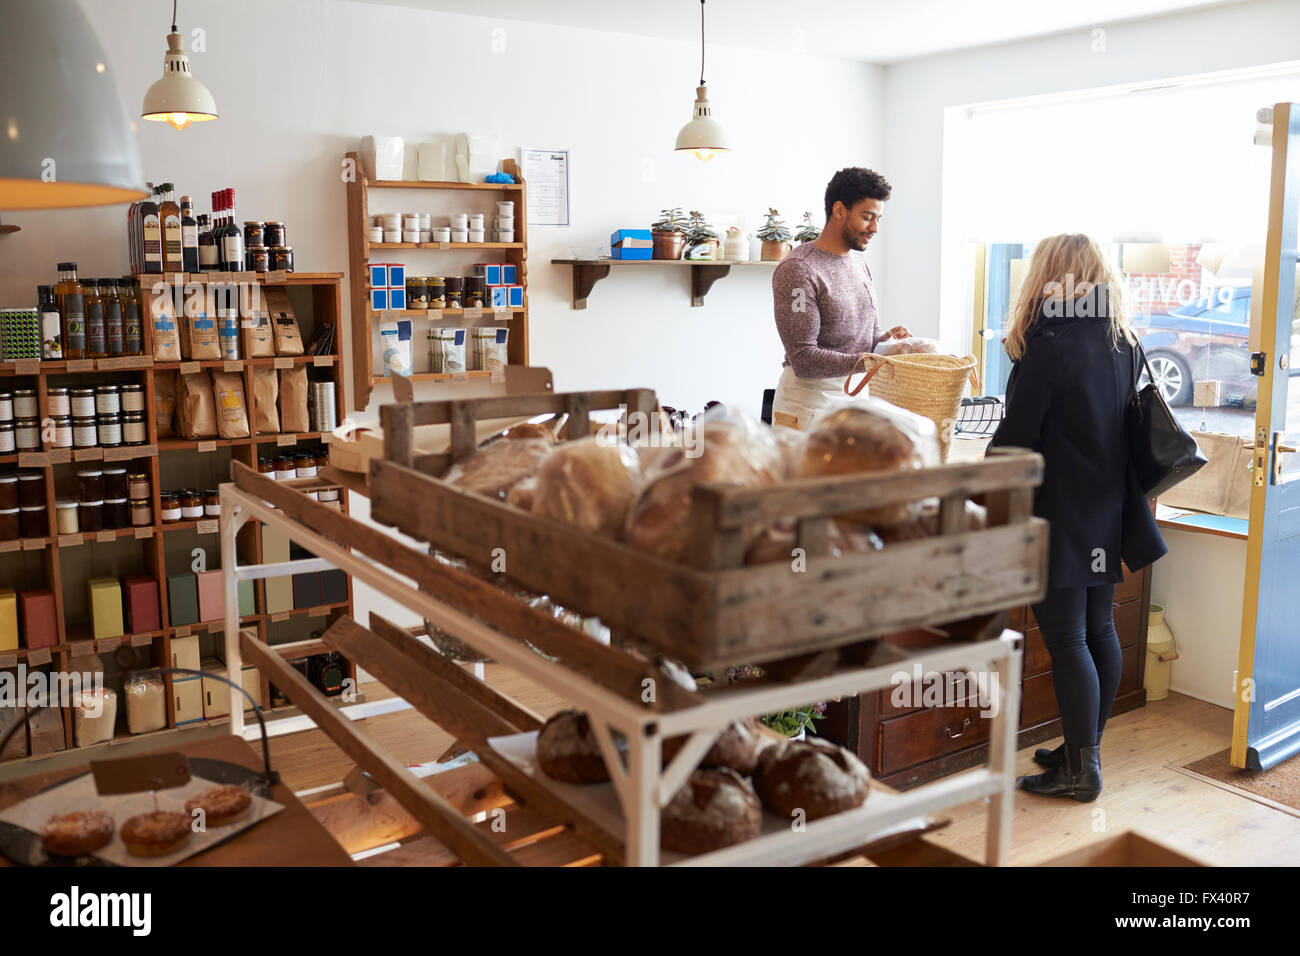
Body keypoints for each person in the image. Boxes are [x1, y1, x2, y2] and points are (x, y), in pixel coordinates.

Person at [988, 233, 1166, 802]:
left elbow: (1016, 441)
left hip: (1059, 510)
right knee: (1097, 629)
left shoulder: (1048, 344)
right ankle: (1081, 747)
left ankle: (1080, 772)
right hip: (1107, 506)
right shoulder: (1123, 340)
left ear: (1047, 278)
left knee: (1066, 638)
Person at [771, 167, 911, 428]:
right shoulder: (799, 269)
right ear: (838, 211)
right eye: (867, 217)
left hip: (855, 401)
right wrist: (876, 360)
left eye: (879, 218)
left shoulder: (859, 263)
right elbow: (803, 359)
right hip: (809, 408)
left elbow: (863, 341)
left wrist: (885, 342)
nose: (875, 228)